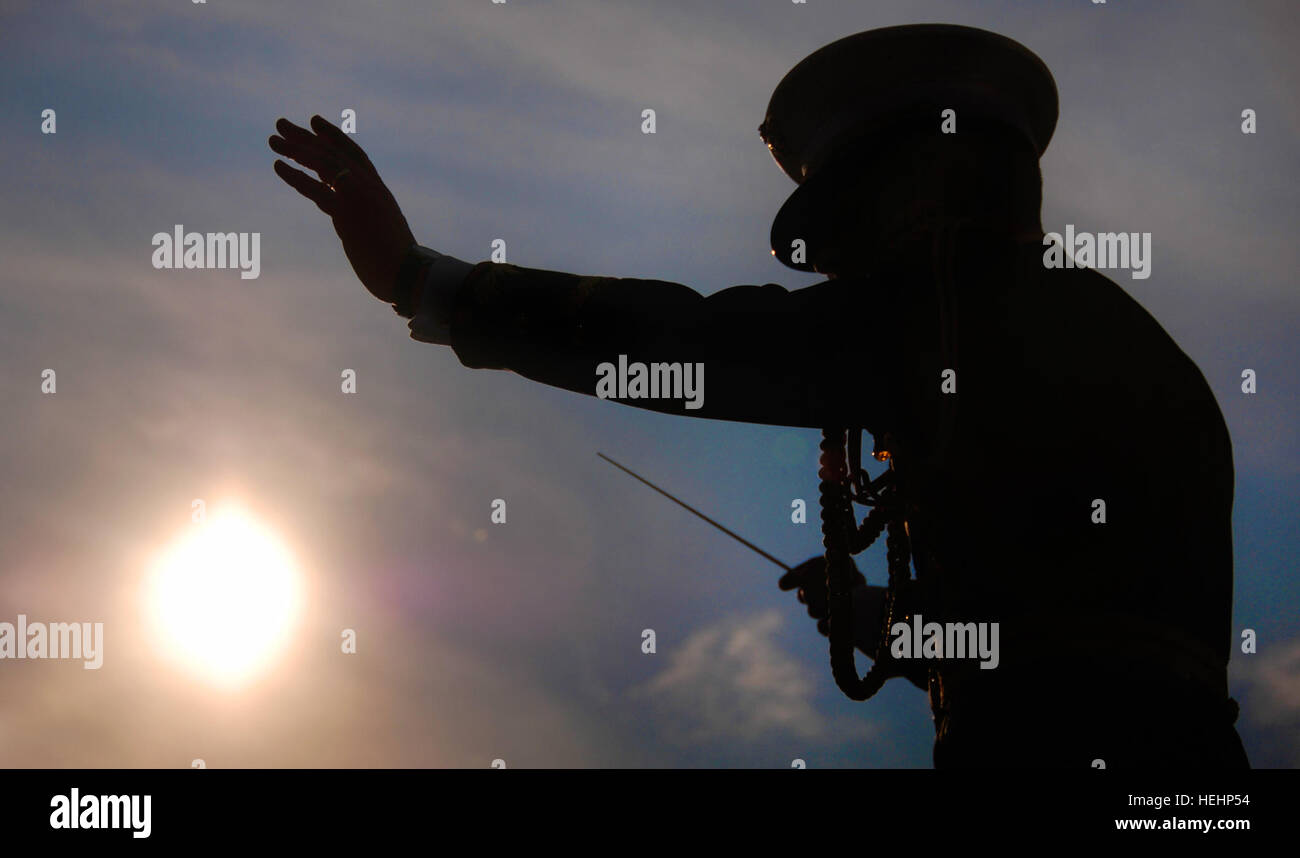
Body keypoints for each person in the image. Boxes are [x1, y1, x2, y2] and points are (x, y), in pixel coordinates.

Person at [270, 24, 1248, 768]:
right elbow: (1064, 632)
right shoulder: (1109, 336)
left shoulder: (957, 308)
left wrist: (422, 280)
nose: (837, 266)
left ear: (910, 188)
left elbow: (691, 345)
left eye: (848, 216)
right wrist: (886, 627)